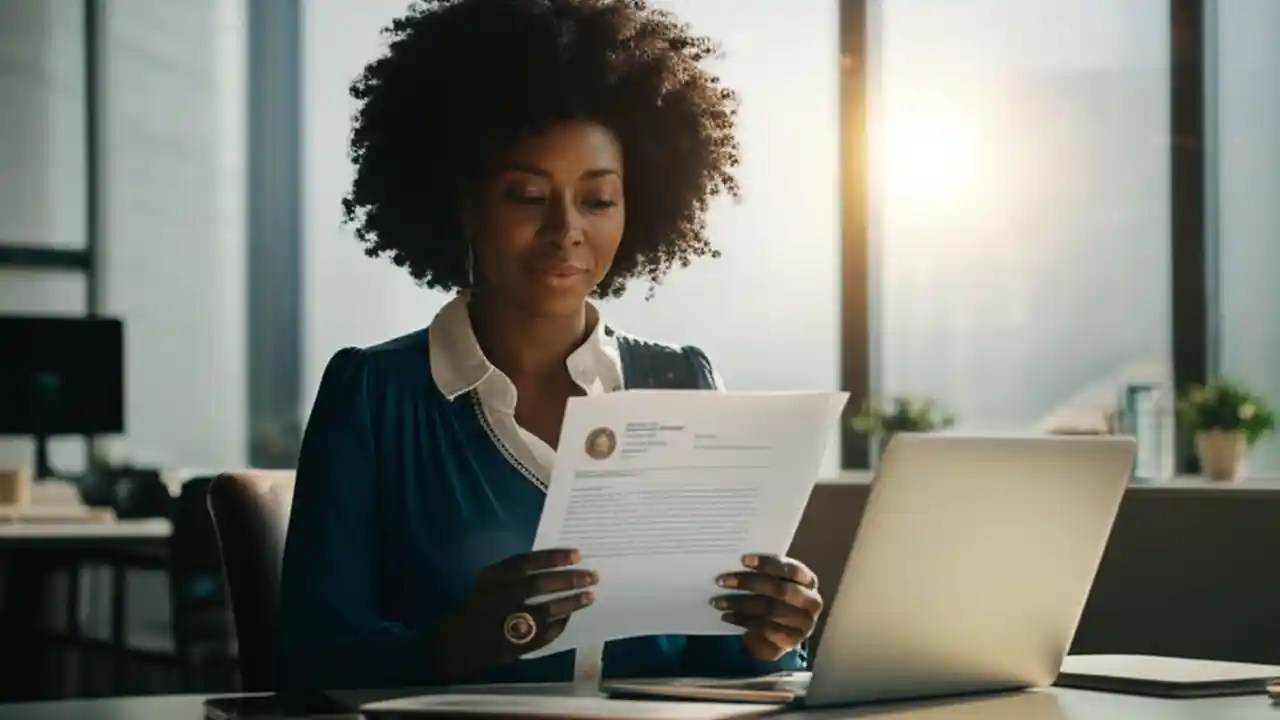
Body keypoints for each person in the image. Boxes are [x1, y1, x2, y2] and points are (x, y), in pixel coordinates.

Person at [277, 0, 823, 699]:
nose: (566, 229)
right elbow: (307, 665)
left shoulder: (680, 379)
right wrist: (457, 643)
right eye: (528, 195)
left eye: (597, 200)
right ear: (466, 205)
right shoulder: (374, 395)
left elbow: (708, 657)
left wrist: (765, 638)